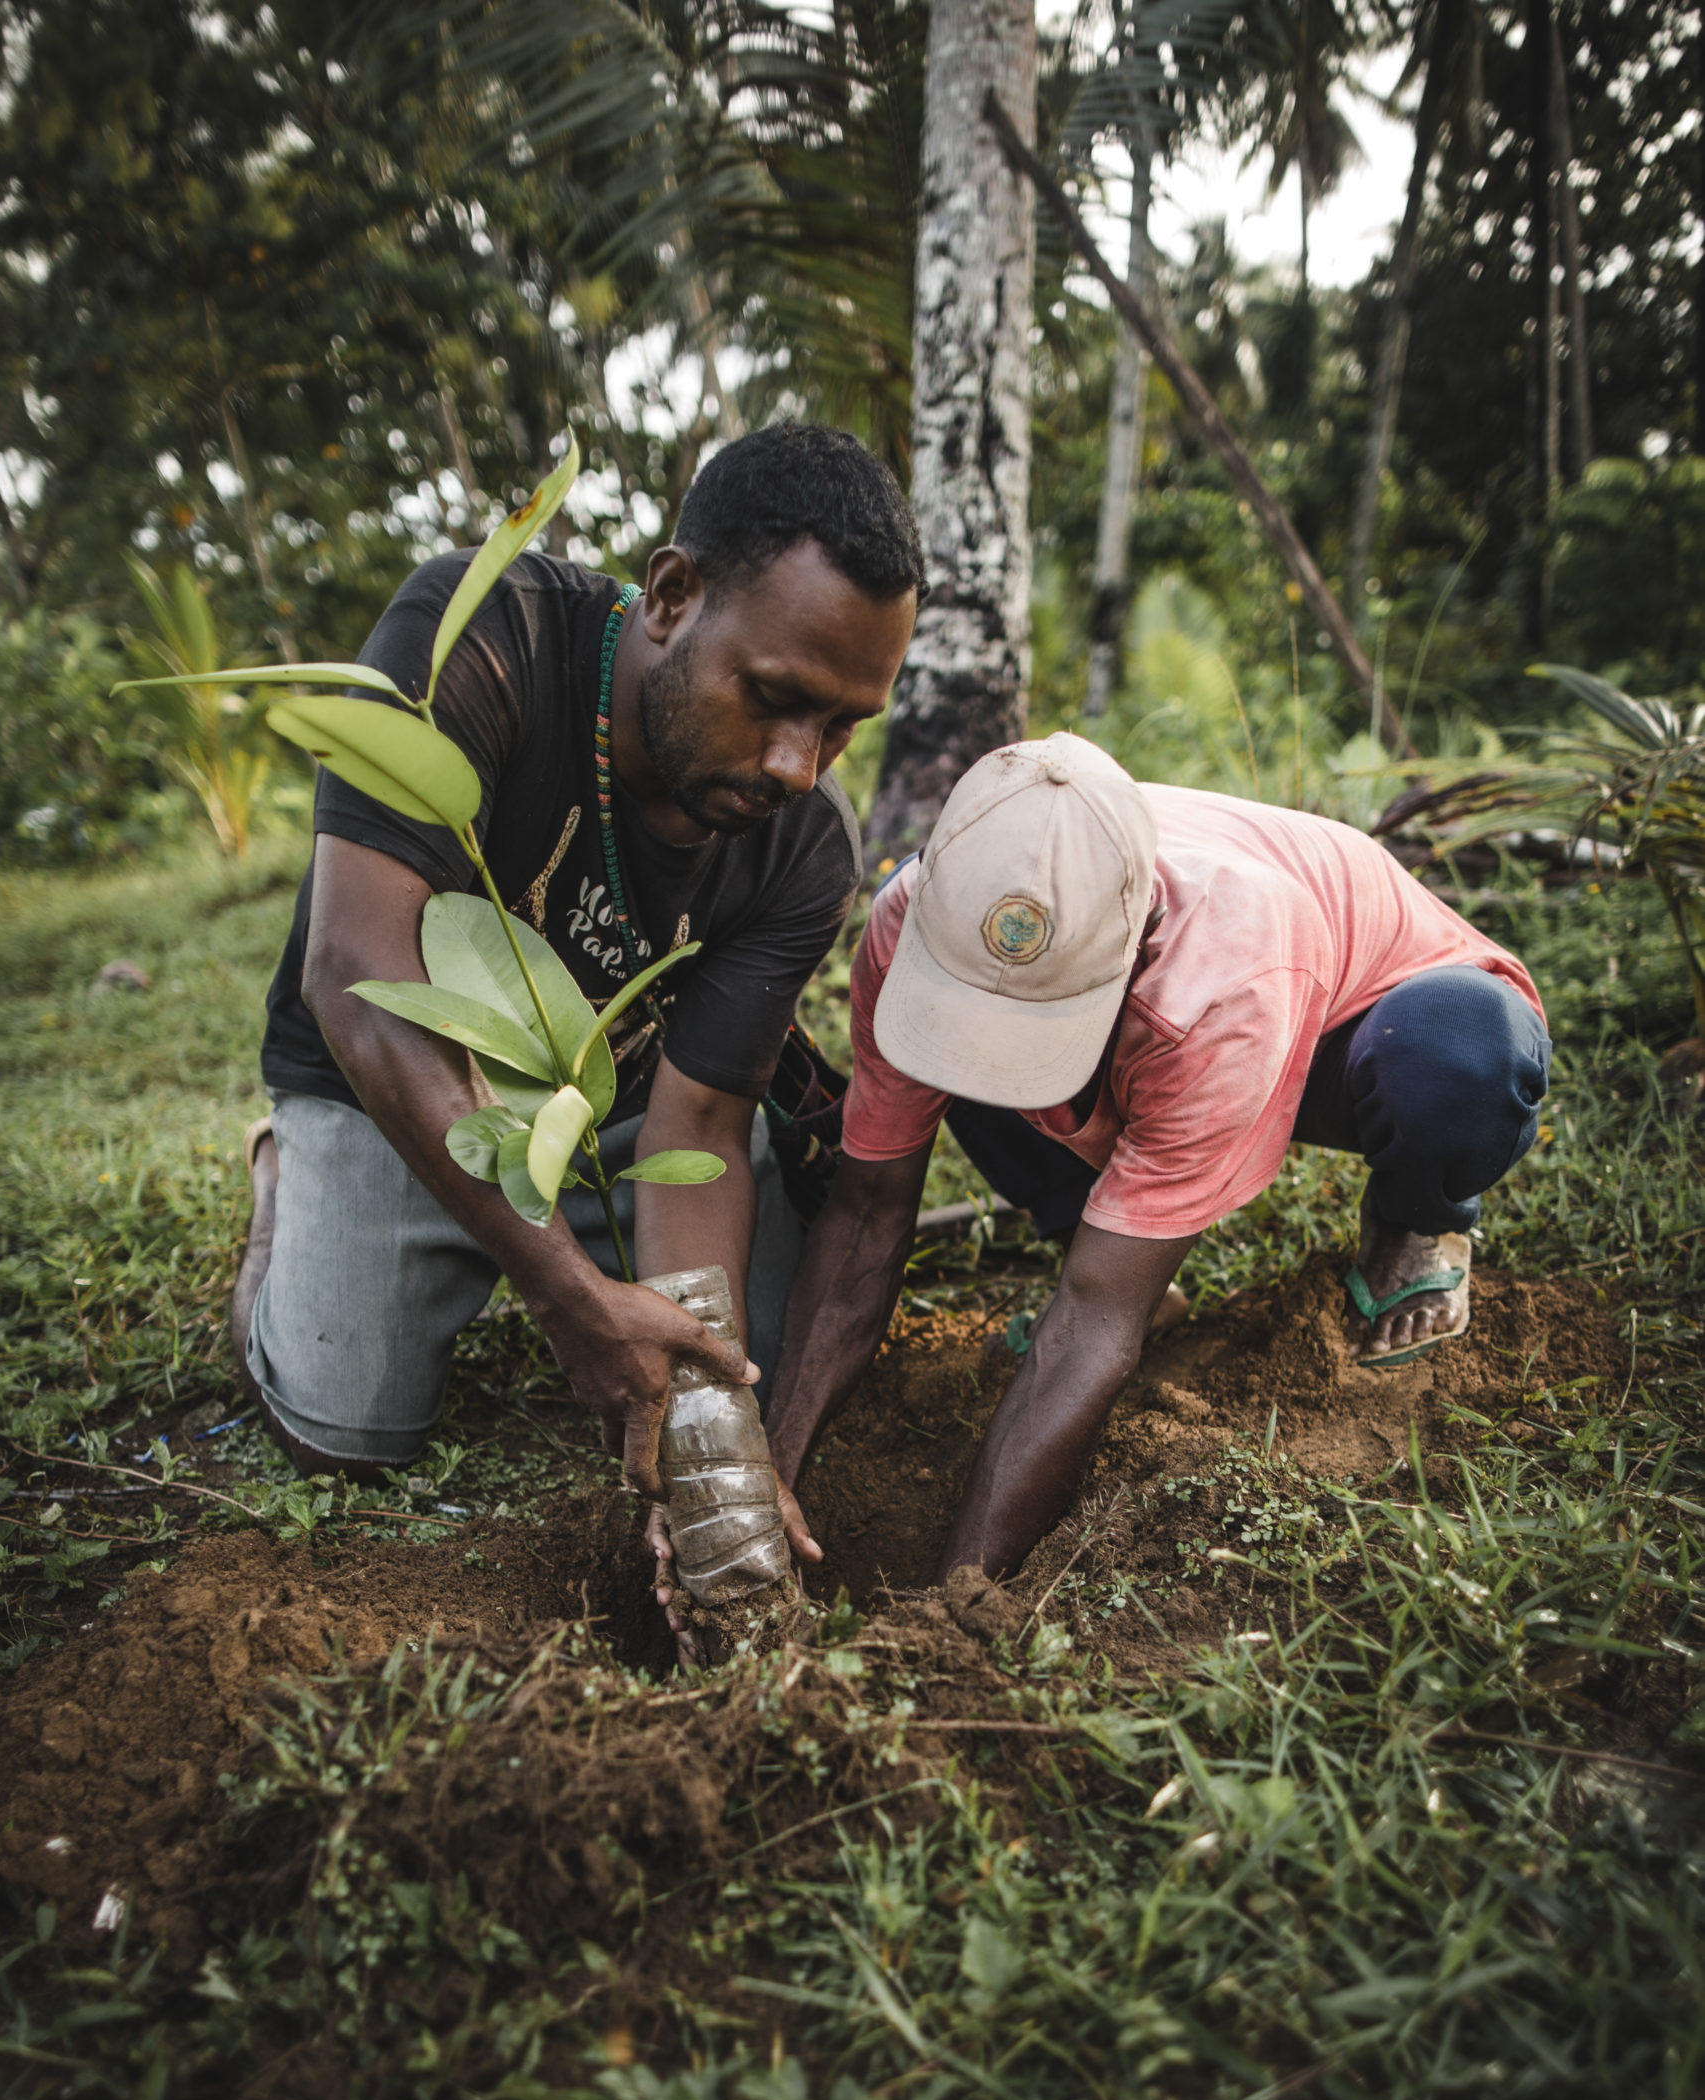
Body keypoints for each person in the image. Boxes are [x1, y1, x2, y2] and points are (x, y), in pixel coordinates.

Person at [233, 424, 923, 1496]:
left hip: (612, 1117)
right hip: (391, 1078)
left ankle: (557, 1258)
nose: (798, 763)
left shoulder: (806, 843)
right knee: (342, 1430)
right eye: (775, 697)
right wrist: (567, 1296)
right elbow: (351, 969)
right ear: (671, 594)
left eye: (842, 725)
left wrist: (703, 1444)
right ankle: (285, 1180)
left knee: (750, 1368)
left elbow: (700, 1123)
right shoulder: (481, 641)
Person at [754, 732, 1551, 1589]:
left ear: (1140, 938)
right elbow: (867, 1209)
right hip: (1143, 1021)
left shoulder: (1223, 976)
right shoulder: (919, 922)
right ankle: (1086, 1219)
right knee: (962, 1052)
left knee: (1452, 1057)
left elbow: (1096, 1322)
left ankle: (1413, 1222)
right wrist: (763, 1482)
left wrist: (959, 1593)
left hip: (1356, 1026)